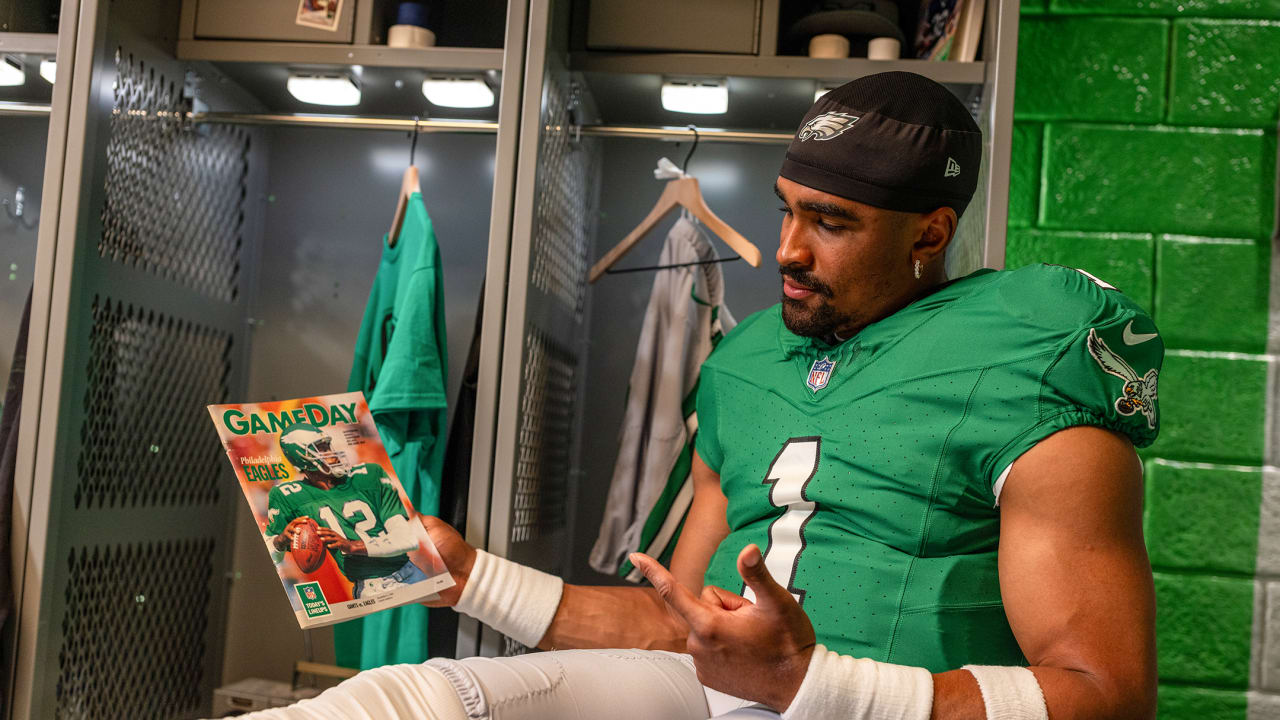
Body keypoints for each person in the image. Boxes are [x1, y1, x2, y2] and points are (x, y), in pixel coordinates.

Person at [239, 71, 1159, 720]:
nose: (789, 249)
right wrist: (466, 574)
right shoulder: (751, 358)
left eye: (832, 222)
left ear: (932, 230)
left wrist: (817, 684)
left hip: (888, 708)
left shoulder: (1027, 353)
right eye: (787, 207)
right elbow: (674, 619)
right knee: (415, 702)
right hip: (712, 694)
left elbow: (1107, 693)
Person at [267, 423, 427, 598]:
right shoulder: (287, 495)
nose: (332, 454)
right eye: (321, 449)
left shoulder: (369, 475)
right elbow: (273, 558)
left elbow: (407, 539)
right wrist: (280, 541)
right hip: (372, 587)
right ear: (302, 458)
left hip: (410, 572)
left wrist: (352, 546)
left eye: (327, 446)